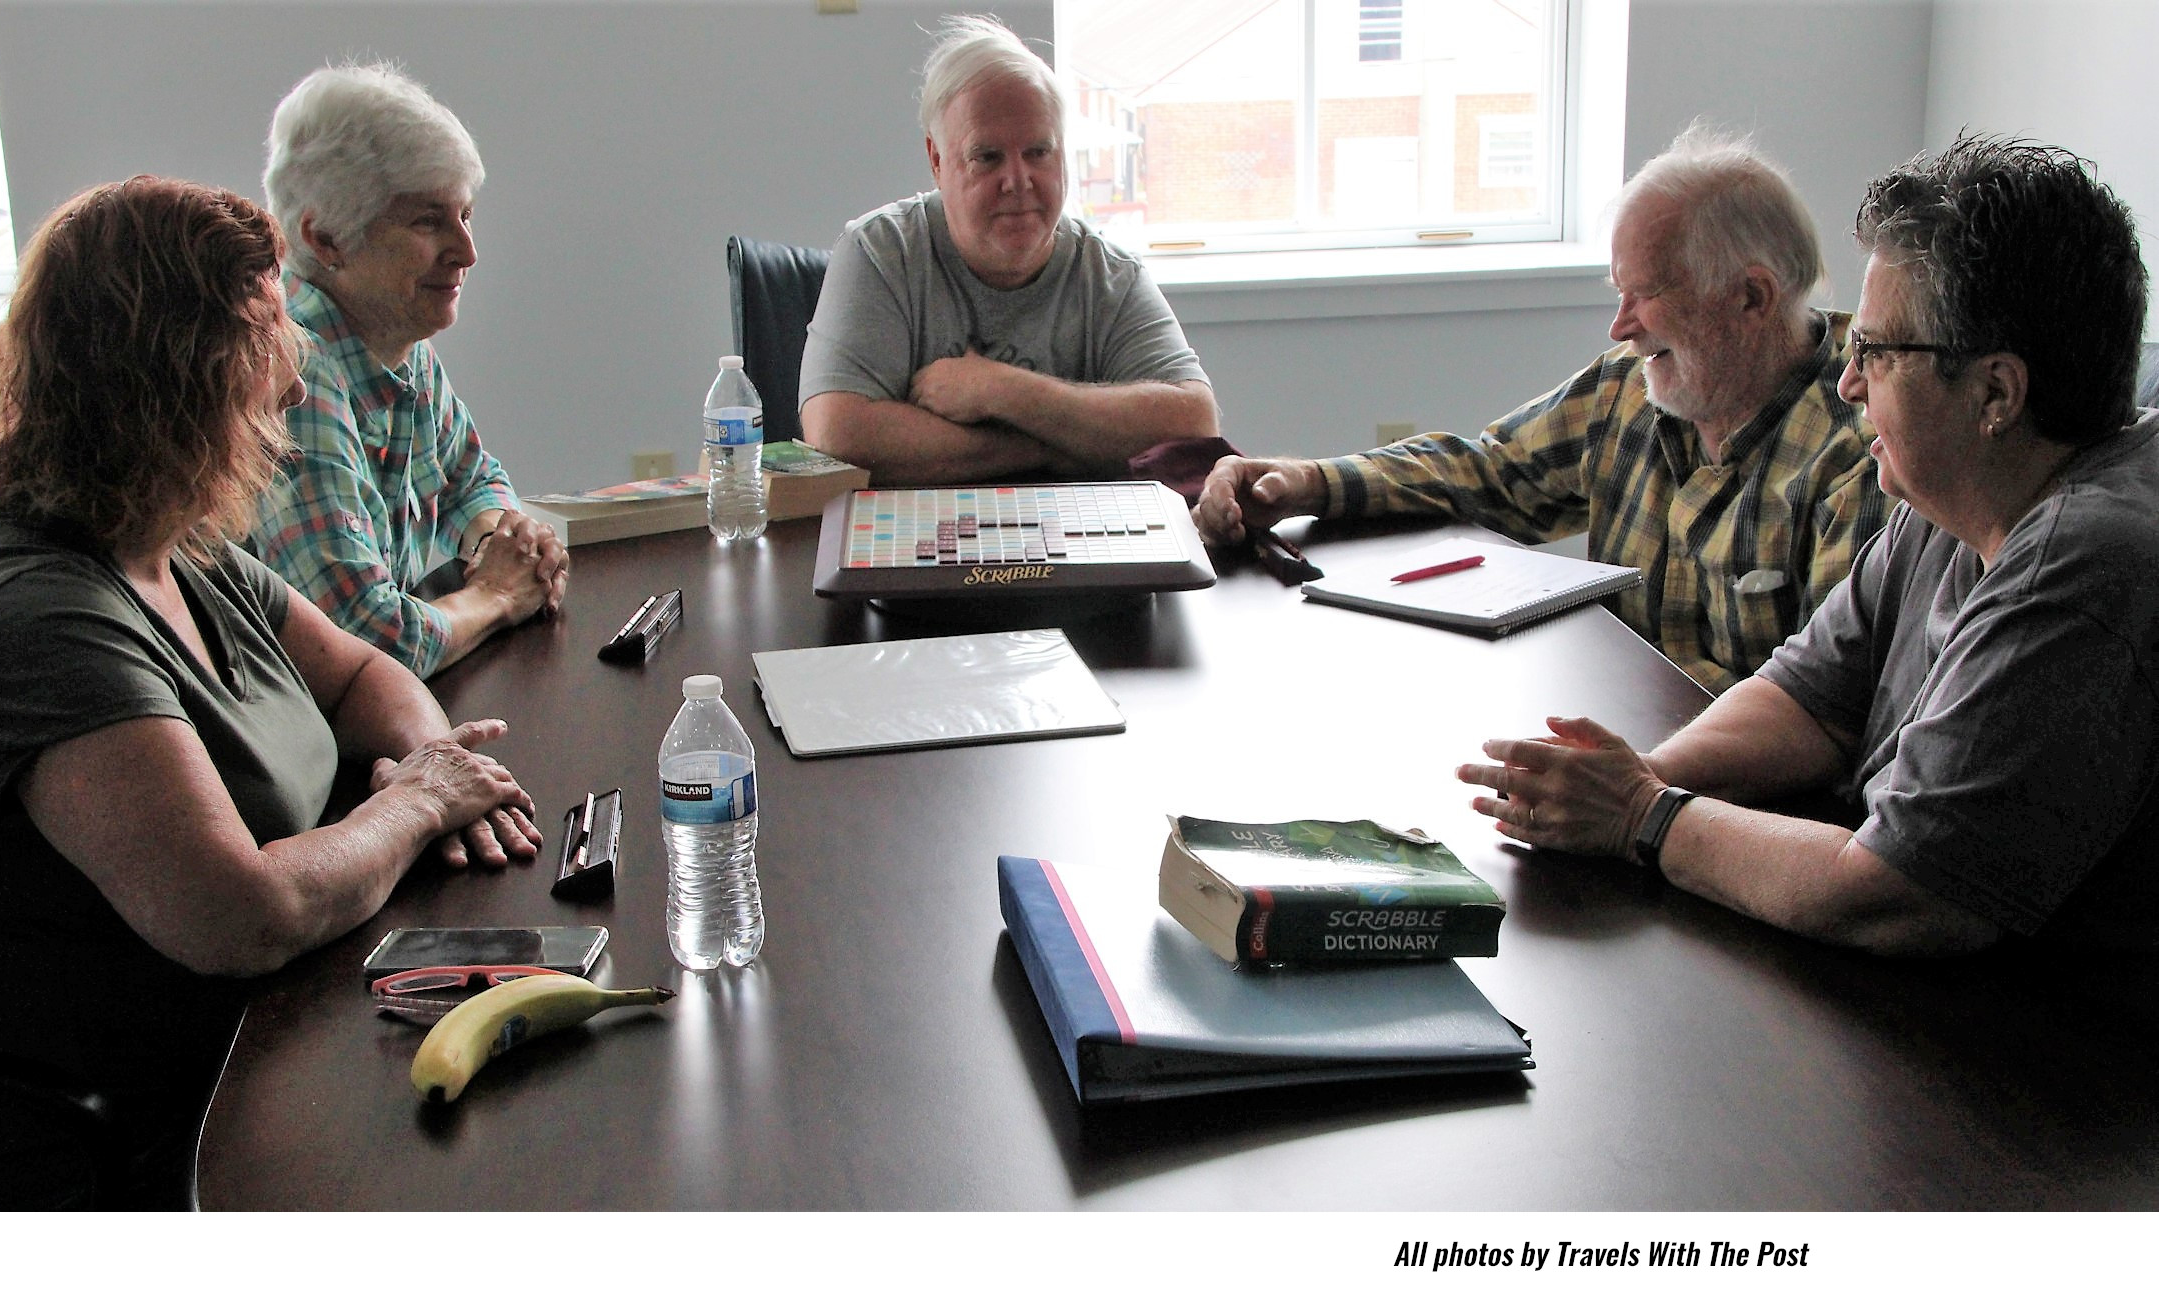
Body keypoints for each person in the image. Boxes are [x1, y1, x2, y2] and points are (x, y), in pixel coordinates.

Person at [0, 177, 543, 1205]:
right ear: (180, 378)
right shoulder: (42, 616)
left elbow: (364, 668)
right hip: (154, 1127)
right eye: (271, 338)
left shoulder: (171, 540)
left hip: (280, 1030)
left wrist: (428, 759)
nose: (289, 386)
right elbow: (239, 914)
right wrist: (418, 805)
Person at [1457, 136, 2158, 956]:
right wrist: (1634, 776)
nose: (1850, 381)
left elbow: (1897, 894)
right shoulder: (1957, 484)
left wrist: (1640, 815)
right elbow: (1811, 696)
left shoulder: (2076, 562)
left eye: (1877, 352)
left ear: (1996, 392)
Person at [1195, 125, 1889, 693]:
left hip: (1731, 802)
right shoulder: (1632, 385)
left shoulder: (1860, 454)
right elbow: (1490, 474)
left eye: (1643, 294)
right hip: (1615, 745)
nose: (1620, 328)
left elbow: (1818, 714)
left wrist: (1628, 790)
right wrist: (1298, 482)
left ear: (1751, 298)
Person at [799, 14, 1218, 485]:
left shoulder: (1109, 274)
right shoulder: (880, 252)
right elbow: (838, 433)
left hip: (1075, 546)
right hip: (914, 547)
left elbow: (1194, 424)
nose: (1018, 181)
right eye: (987, 157)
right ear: (937, 160)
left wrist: (1000, 390)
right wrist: (1049, 445)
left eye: (1039, 152)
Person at [253, 61, 567, 677]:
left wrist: (507, 546)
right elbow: (366, 646)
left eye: (465, 215)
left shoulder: (393, 334)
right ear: (327, 240)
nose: (467, 252)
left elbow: (469, 479)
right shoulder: (293, 372)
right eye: (428, 220)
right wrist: (497, 595)